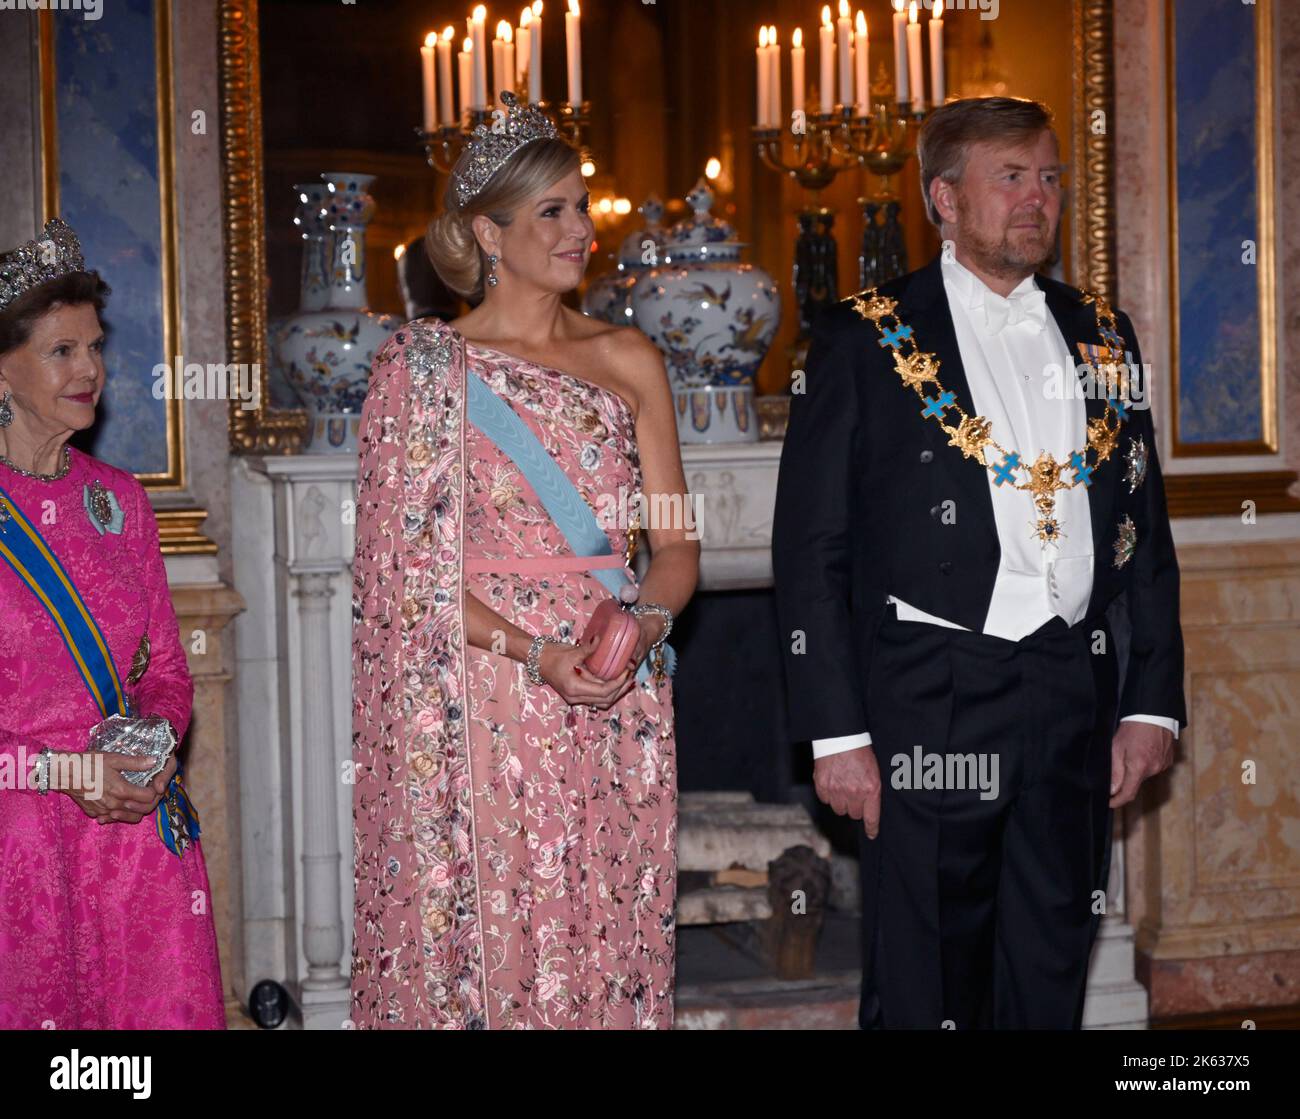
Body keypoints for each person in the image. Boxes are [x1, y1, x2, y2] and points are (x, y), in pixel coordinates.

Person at [773, 97, 1186, 1029]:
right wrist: (836, 736)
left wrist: (1149, 700)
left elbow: (1146, 537)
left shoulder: (1103, 335)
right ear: (944, 199)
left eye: (1048, 178)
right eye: (1011, 178)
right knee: (924, 978)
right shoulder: (862, 338)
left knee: (1049, 962)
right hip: (931, 691)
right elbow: (809, 553)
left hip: (1072, 688)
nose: (1036, 199)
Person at [350, 92, 699, 1029]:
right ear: (487, 233)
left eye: (582, 206)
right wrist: (533, 654)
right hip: (488, 700)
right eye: (553, 211)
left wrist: (642, 623)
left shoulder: (631, 359)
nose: (583, 229)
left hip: (619, 690)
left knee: (606, 939)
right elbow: (403, 581)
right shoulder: (421, 369)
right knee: (503, 941)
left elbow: (675, 545)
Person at [0, 218, 224, 1028]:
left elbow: (165, 665)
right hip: (19, 842)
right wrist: (69, 774)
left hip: (133, 839)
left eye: (93, 346)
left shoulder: (120, 500)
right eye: (62, 350)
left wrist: (149, 753)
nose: (90, 368)